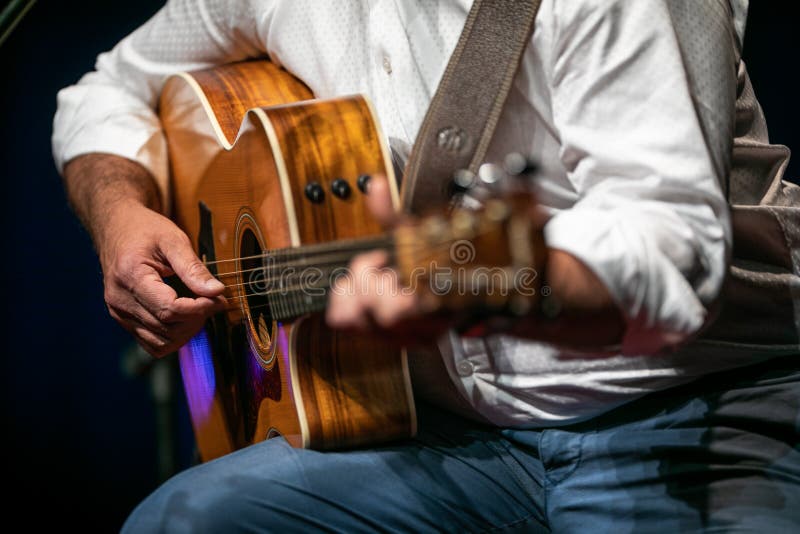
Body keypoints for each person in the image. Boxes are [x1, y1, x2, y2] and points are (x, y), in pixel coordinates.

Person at [53, 0, 799, 531]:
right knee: (182, 520)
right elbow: (109, 87)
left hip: (693, 413)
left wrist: (493, 279)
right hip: (448, 434)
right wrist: (121, 214)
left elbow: (666, 257)